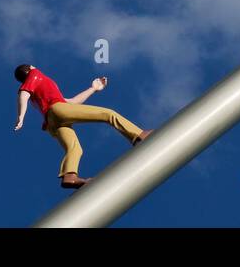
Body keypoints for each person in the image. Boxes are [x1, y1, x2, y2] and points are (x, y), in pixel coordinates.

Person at [13, 64, 153, 189]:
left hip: (52, 123)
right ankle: (138, 136)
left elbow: (71, 102)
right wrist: (21, 117)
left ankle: (69, 176)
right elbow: (23, 94)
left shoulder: (37, 94)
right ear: (31, 68)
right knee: (108, 114)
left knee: (75, 149)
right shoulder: (35, 74)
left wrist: (93, 89)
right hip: (58, 110)